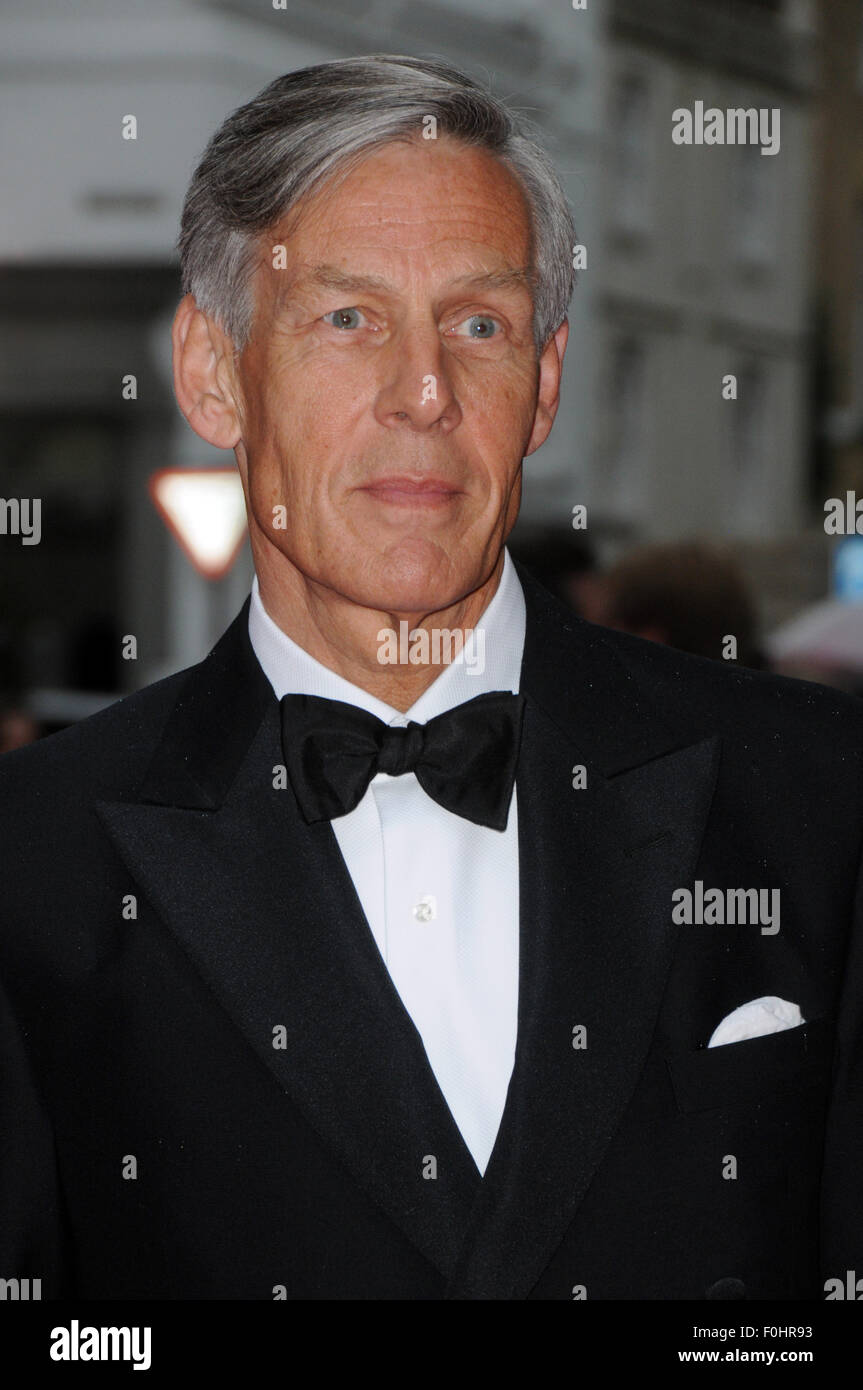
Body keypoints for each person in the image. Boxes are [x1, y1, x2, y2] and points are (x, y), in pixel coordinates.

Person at [1, 54, 861, 1301]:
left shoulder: (817, 795)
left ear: (544, 383)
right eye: (347, 318)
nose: (423, 396)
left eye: (478, 325)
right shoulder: (34, 867)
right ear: (208, 370)